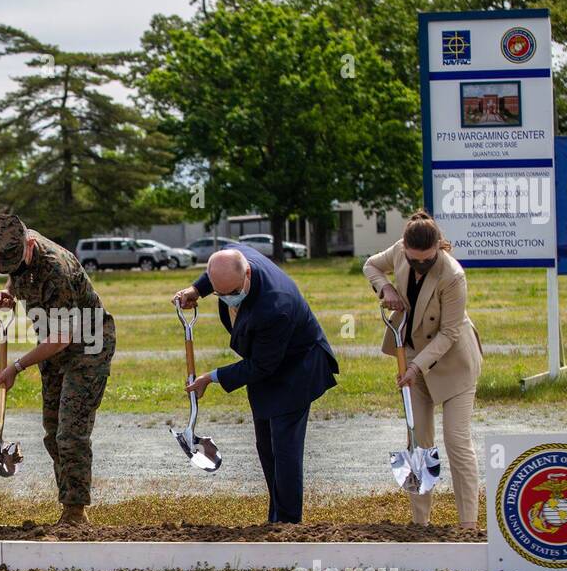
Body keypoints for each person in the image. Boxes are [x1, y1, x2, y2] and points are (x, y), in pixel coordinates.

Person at [173, 244, 338, 523]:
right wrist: (197, 290)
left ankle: (288, 524)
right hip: (265, 361)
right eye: (221, 294)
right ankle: (276, 516)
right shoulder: (235, 258)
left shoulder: (276, 307)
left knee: (284, 448)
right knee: (266, 446)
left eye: (233, 292)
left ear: (247, 273)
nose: (228, 299)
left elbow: (261, 366)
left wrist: (211, 377)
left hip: (297, 368)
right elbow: (217, 272)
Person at [0, 211, 115, 526]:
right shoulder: (17, 242)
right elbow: (17, 274)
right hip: (54, 351)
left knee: (70, 433)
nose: (13, 269)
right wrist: (8, 292)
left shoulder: (56, 269)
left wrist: (16, 367)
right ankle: (70, 502)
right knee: (53, 431)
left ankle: (74, 512)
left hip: (87, 349)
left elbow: (61, 338)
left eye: (15, 263)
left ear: (28, 244)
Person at [363, 210, 483, 528]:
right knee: (418, 441)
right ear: (405, 249)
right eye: (413, 261)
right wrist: (386, 288)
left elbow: (449, 333)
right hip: (413, 355)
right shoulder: (399, 250)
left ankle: (468, 526)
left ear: (438, 248)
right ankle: (420, 523)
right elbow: (370, 265)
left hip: (454, 364)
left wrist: (416, 367)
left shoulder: (453, 275)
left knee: (456, 442)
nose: (420, 266)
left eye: (427, 261)